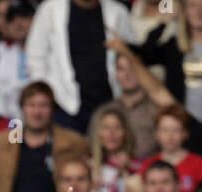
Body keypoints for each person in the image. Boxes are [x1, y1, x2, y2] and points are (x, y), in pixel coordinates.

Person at [0, 81, 90, 192]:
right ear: (22, 107)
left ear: (52, 109)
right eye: (31, 105)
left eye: (43, 105)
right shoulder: (1, 143)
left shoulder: (73, 142)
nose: (37, 112)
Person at [24, 0, 133, 131]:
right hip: (64, 105)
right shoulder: (50, 9)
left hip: (109, 104)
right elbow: (35, 58)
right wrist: (46, 99)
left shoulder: (118, 12)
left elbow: (132, 57)